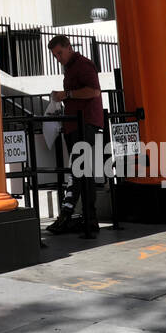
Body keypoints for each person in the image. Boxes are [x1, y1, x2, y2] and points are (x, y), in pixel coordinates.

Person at [46, 36, 105, 239]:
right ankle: (89, 220)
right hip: (77, 125)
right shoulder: (72, 67)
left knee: (79, 172)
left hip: (84, 125)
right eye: (54, 55)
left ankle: (69, 215)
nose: (57, 58)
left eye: (59, 53)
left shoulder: (83, 65)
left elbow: (94, 91)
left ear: (69, 47)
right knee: (83, 173)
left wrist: (67, 95)